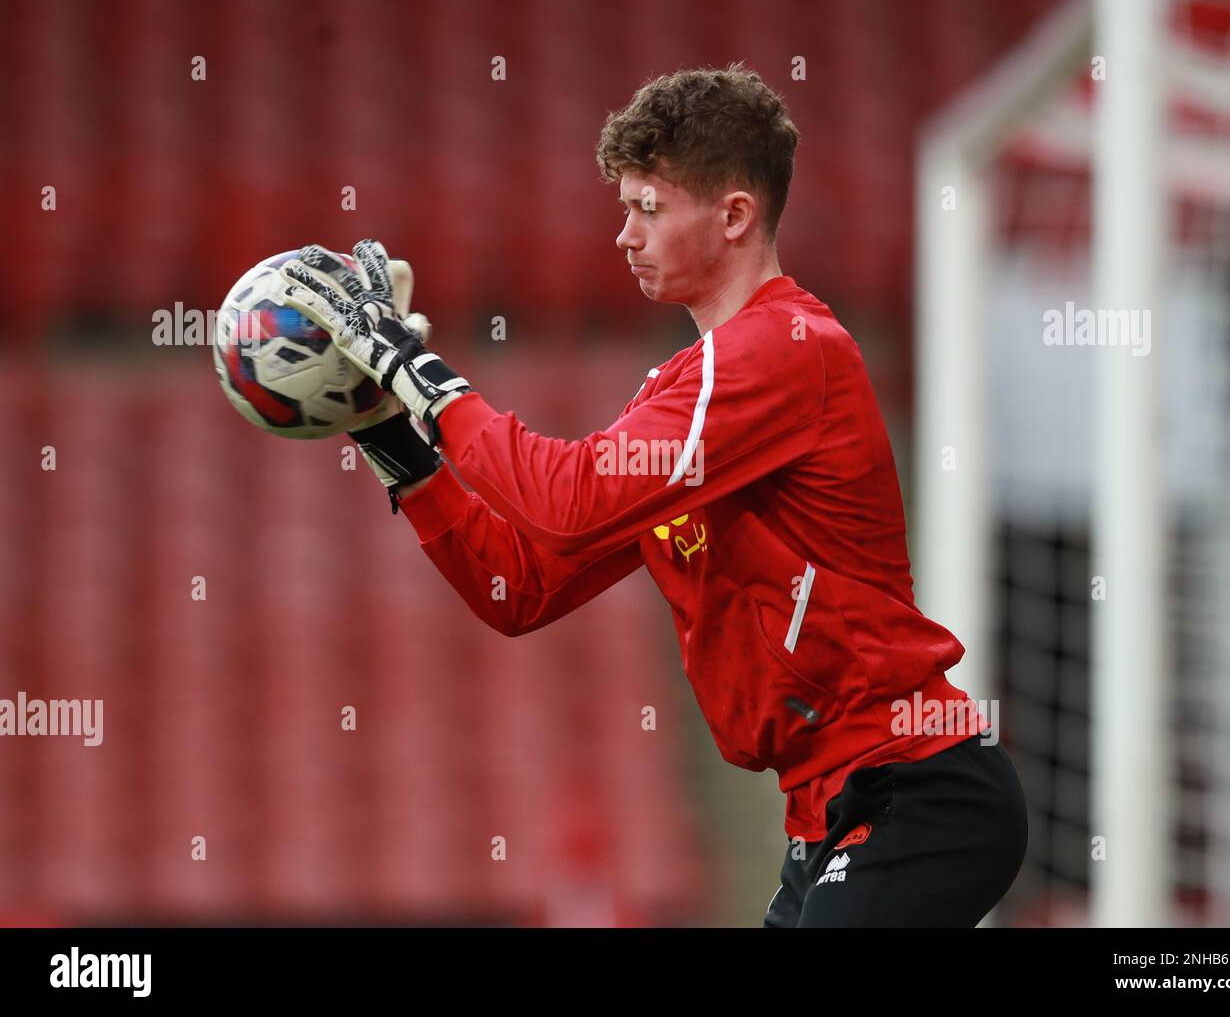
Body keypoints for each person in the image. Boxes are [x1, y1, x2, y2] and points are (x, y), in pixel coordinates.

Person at [280, 63, 1027, 927]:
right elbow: (520, 587)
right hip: (828, 807)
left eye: (649, 208)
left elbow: (566, 500)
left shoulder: (787, 348)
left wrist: (418, 373)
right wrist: (389, 438)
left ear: (735, 215)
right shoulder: (685, 396)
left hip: (918, 787)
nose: (624, 236)